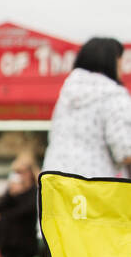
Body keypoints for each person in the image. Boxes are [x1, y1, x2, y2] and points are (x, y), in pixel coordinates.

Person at [41, 37, 131, 178]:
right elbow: (125, 150)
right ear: (111, 62)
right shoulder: (113, 95)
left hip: (55, 180)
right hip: (94, 184)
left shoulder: (67, 92)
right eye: (120, 61)